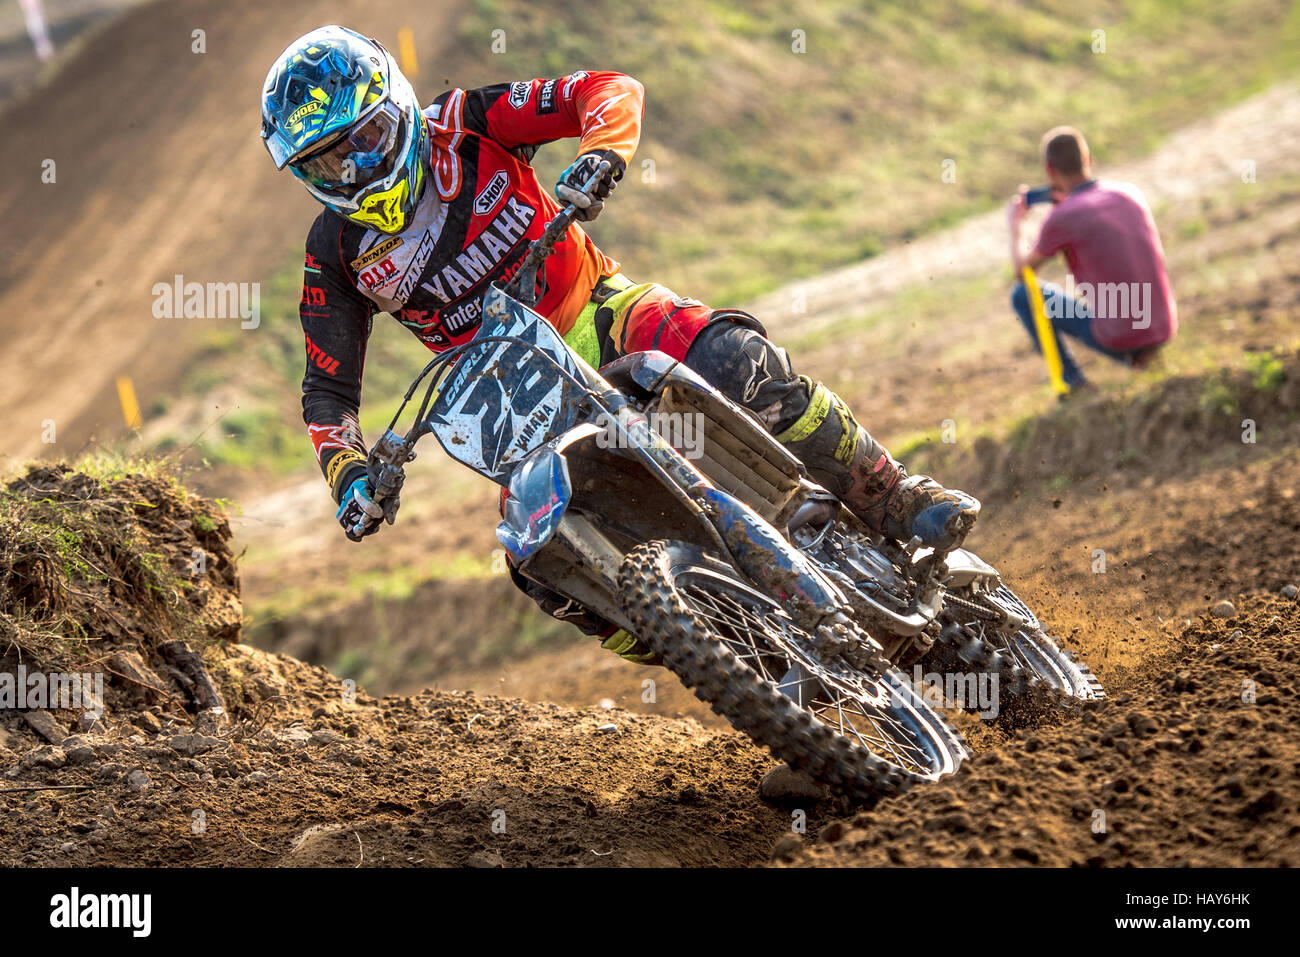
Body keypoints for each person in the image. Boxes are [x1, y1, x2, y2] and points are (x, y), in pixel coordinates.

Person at [260, 26, 979, 661]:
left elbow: (604, 89)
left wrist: (601, 153)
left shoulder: (466, 122)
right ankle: (734, 664)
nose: (352, 171)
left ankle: (891, 495)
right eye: (326, 163)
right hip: (515, 402)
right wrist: (349, 476)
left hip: (602, 313)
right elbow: (327, 391)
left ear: (398, 106)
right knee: (541, 562)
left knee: (732, 359)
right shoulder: (335, 253)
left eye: (365, 140)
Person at [1007, 126, 1177, 390]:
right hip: (1164, 327)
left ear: (1050, 170)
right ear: (1087, 158)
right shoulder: (1128, 193)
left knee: (1022, 295)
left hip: (1122, 337)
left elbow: (1023, 272)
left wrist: (1015, 226)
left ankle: (1074, 385)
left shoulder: (1062, 218)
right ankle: (1147, 357)